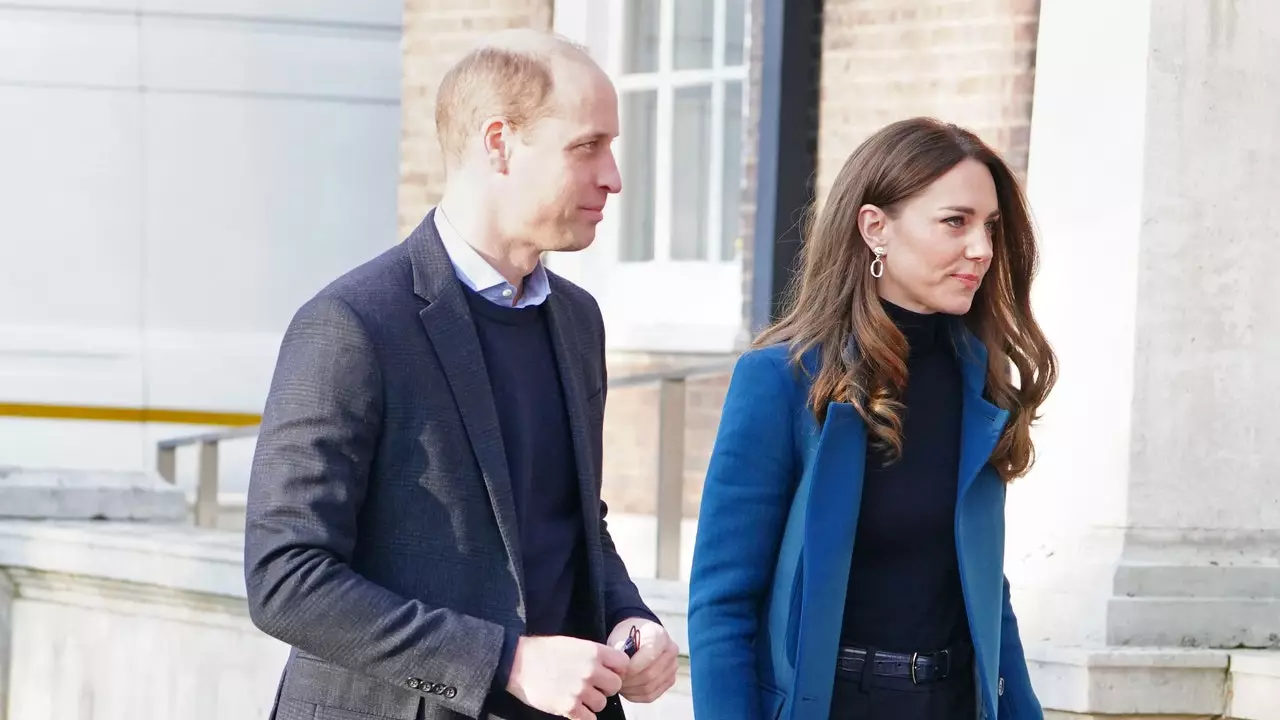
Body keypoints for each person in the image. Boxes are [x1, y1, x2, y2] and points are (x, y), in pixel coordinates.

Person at [244, 29, 679, 720]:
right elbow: (286, 578)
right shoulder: (352, 323)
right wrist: (505, 661)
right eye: (586, 146)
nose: (612, 177)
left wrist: (629, 619)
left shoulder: (577, 320)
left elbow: (573, 524)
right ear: (499, 143)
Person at [686, 117, 1057, 720]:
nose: (982, 248)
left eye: (989, 226)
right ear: (875, 227)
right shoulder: (782, 379)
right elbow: (722, 604)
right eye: (955, 222)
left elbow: (986, 590)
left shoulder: (981, 381)